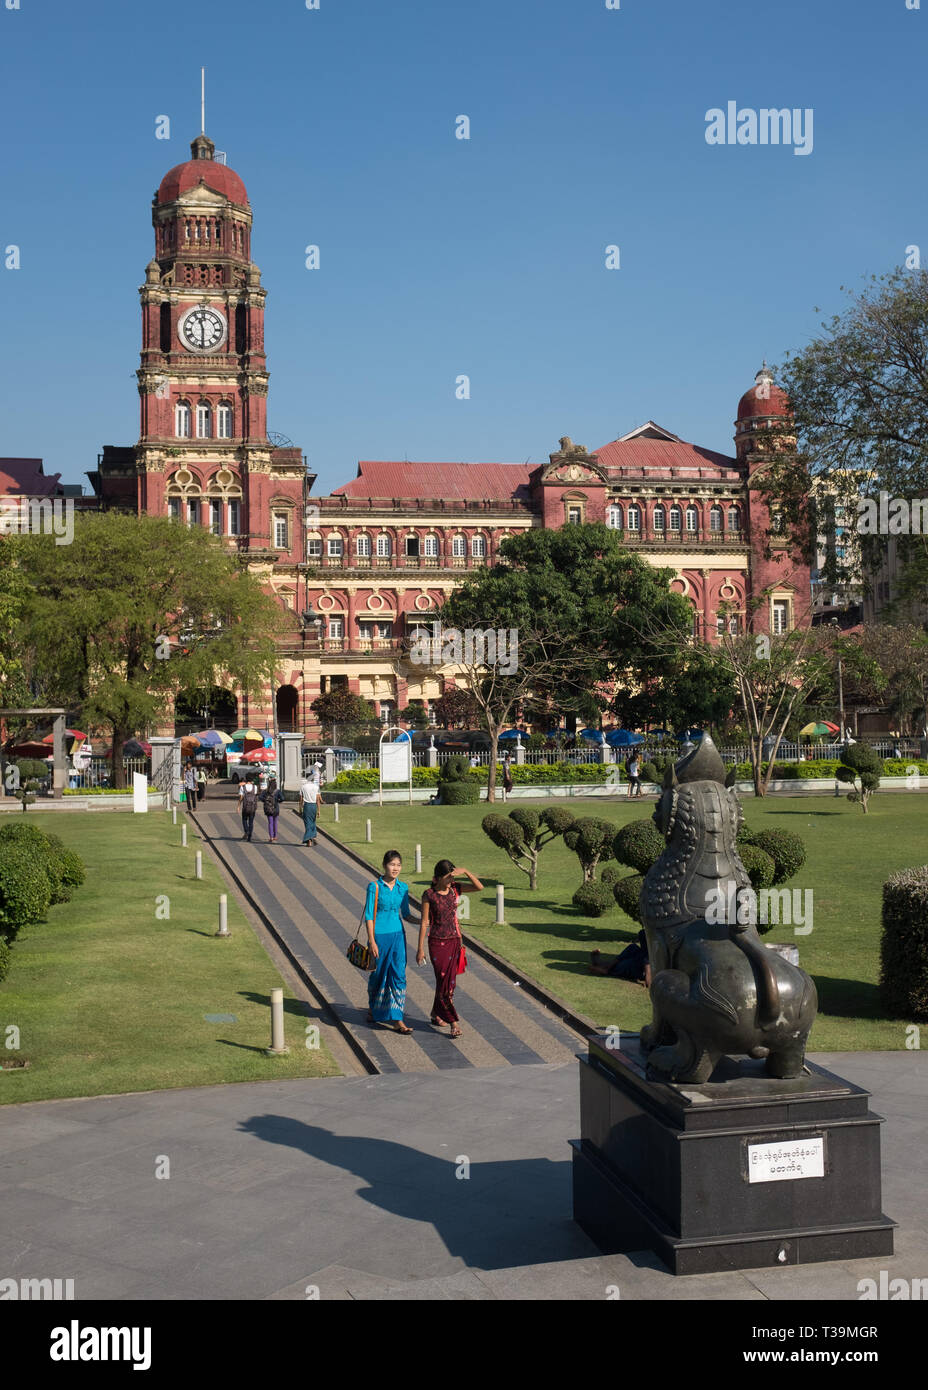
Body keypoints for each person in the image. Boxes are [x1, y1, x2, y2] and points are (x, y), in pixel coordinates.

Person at [417, 860, 483, 1039]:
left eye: (451, 877)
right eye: (447, 877)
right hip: (437, 943)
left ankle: (434, 1013)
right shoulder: (429, 894)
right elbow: (424, 922)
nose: (449, 881)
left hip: (454, 941)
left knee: (447, 984)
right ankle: (454, 1023)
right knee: (444, 982)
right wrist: (420, 949)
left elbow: (479, 887)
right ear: (436, 878)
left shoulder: (455, 889)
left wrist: (467, 871)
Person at [365, 850, 416, 1033]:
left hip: (398, 937)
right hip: (379, 937)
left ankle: (397, 1018)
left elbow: (406, 914)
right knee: (378, 975)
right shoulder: (375, 887)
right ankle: (373, 1006)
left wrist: (422, 921)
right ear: (385, 865)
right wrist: (371, 941)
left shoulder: (403, 888)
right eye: (392, 864)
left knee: (398, 975)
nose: (395, 868)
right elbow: (369, 915)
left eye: (398, 865)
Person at [299, 770, 321, 845]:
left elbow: (301, 799)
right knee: (313, 821)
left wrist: (300, 808)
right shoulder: (316, 787)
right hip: (313, 805)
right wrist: (318, 810)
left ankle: (308, 839)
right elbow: (318, 799)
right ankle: (313, 836)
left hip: (307, 805)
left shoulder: (303, 787)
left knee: (307, 822)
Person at [239, 773, 259, 841]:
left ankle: (246, 831)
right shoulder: (255, 787)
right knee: (251, 822)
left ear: (246, 779)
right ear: (252, 779)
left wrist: (238, 805)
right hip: (253, 807)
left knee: (244, 820)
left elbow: (241, 797)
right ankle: (250, 836)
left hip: (245, 807)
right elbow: (255, 796)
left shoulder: (243, 787)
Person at [262, 777, 283, 842]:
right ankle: (275, 836)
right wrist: (278, 801)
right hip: (276, 808)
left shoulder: (266, 791)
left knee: (270, 823)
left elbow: (260, 797)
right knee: (275, 822)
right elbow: (282, 798)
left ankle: (271, 837)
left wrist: (266, 801)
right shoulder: (278, 791)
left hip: (268, 809)